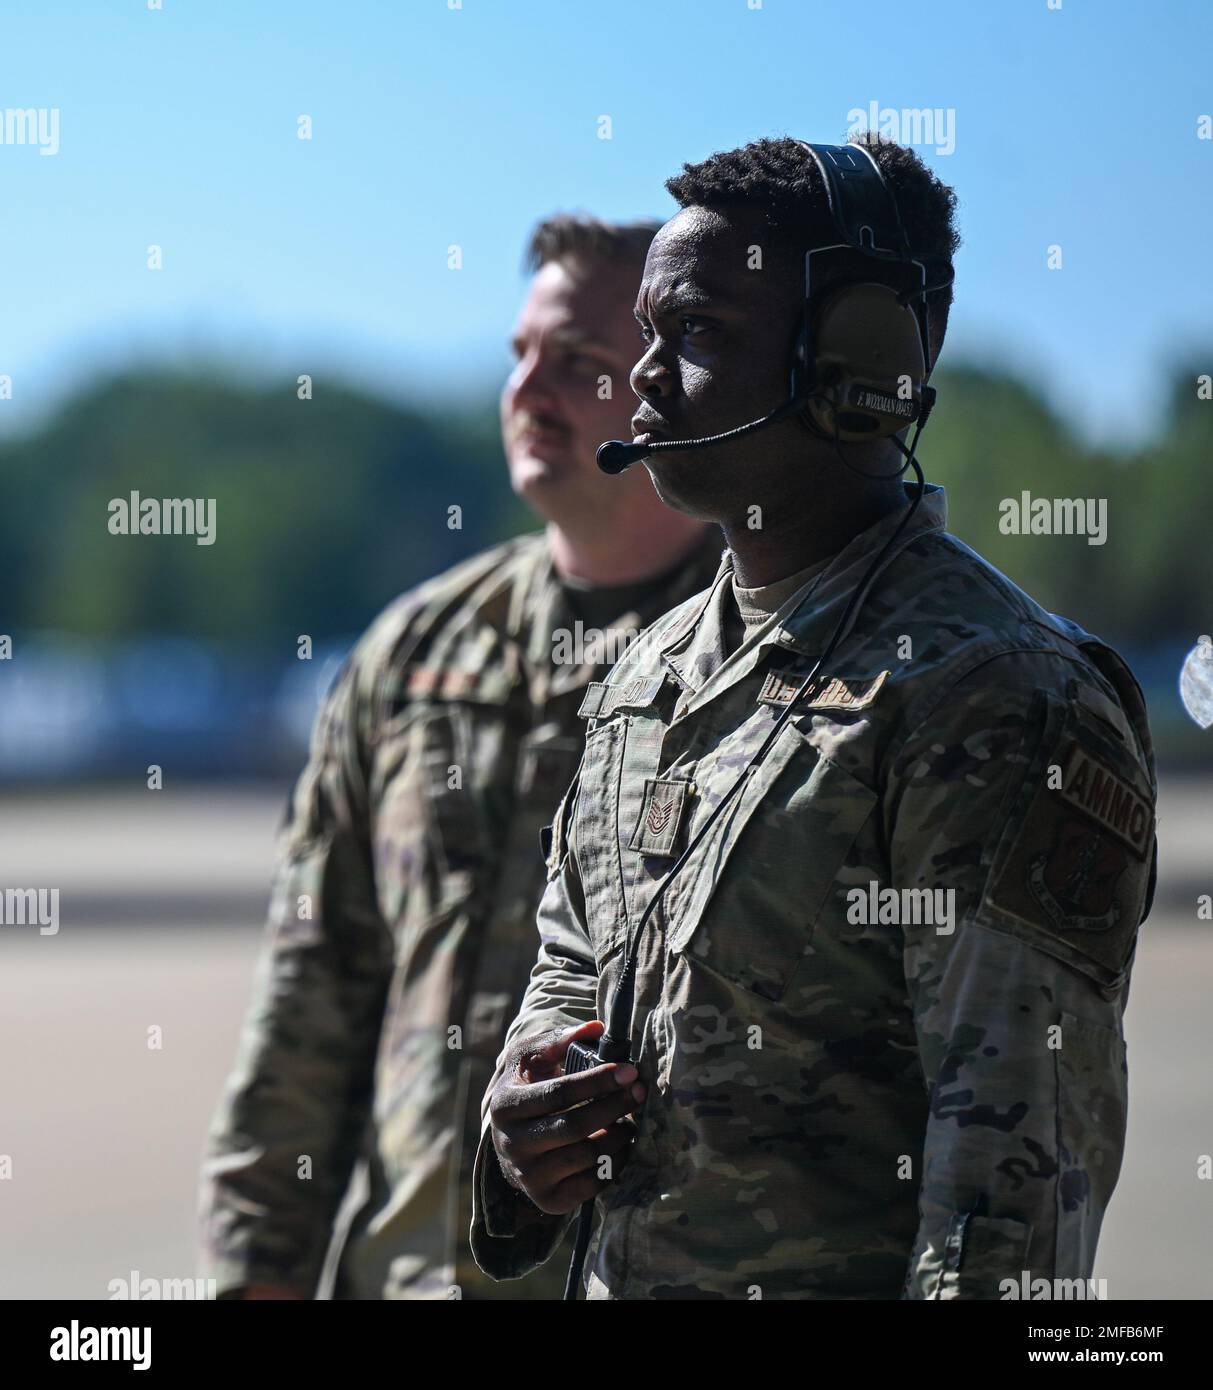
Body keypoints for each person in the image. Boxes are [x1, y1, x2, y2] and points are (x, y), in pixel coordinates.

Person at [471, 135, 1158, 1300]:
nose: (641, 377)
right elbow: (570, 967)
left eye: (695, 334)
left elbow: (1009, 1190)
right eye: (648, 334)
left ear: (855, 372)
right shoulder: (646, 674)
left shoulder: (995, 695)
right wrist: (519, 1129)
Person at [198, 213, 722, 1300]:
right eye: (519, 356)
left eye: (578, 365)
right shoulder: (414, 656)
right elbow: (311, 1000)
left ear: (671, 386)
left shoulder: (772, 660)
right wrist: (255, 1273)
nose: (527, 392)